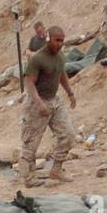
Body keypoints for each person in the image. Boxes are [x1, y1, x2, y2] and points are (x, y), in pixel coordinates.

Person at [18, 26, 78, 188]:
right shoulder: (38, 58)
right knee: (31, 143)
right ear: (48, 39)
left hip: (54, 101)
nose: (60, 44)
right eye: (57, 40)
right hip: (37, 102)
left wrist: (70, 93)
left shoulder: (60, 56)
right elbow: (29, 82)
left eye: (62, 40)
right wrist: (38, 103)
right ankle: (29, 178)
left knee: (68, 134)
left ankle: (56, 170)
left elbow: (61, 73)